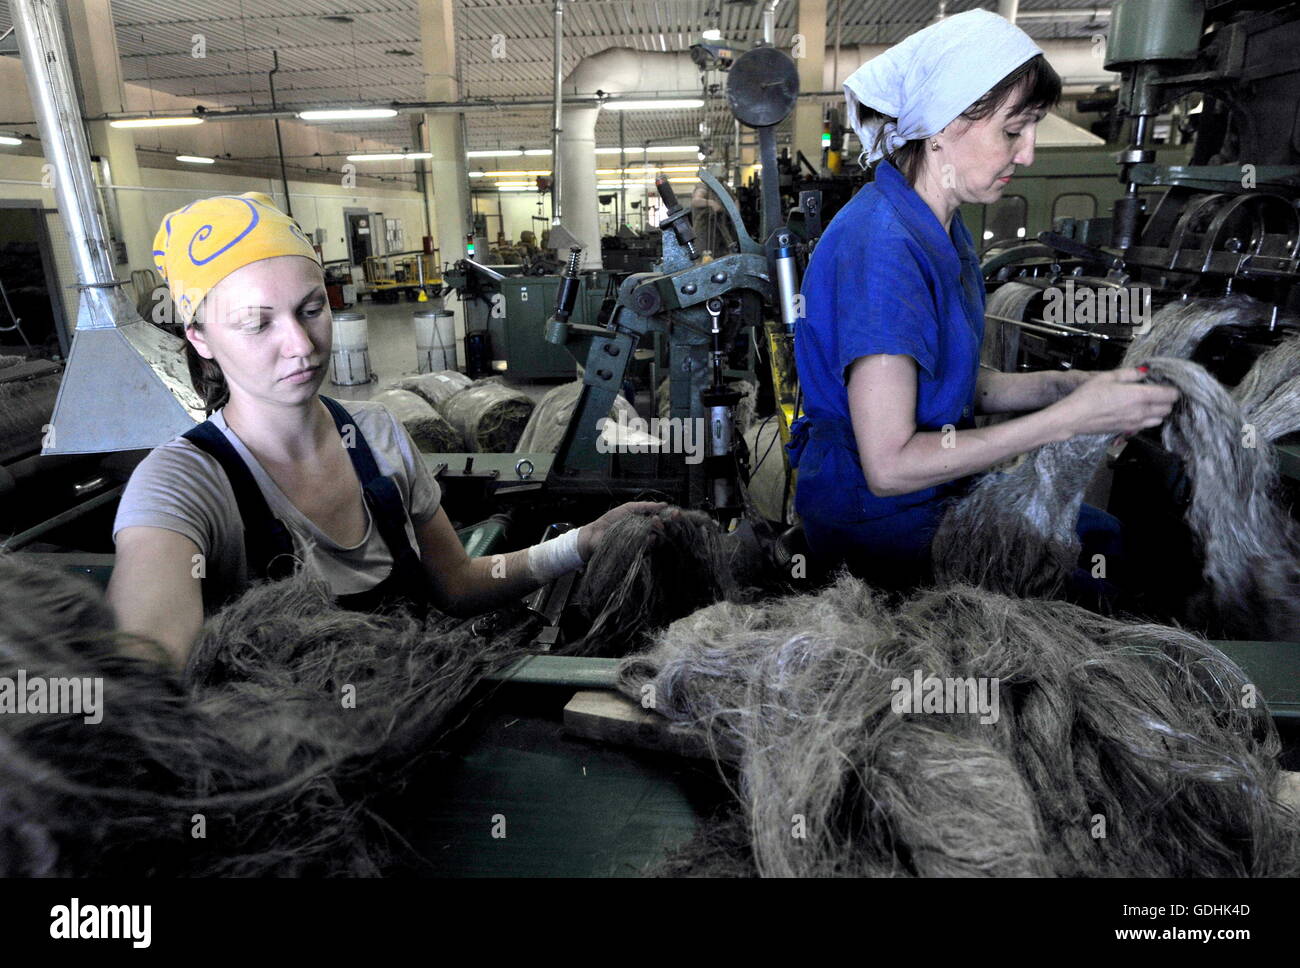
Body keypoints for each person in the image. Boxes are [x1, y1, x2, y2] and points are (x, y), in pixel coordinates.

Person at [108, 192, 661, 668]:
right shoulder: (182, 485)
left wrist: (580, 545)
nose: (301, 345)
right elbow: (150, 664)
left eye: (311, 309)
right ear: (200, 338)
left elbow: (459, 582)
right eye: (257, 323)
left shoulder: (375, 433)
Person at [787, 10, 1178, 599]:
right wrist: (1067, 422)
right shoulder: (883, 248)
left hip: (931, 497)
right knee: (1101, 569)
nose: (1028, 155)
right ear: (943, 125)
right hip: (881, 523)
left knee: (1106, 536)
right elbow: (890, 465)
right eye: (1013, 130)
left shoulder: (939, 228)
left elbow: (949, 383)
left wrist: (1071, 389)